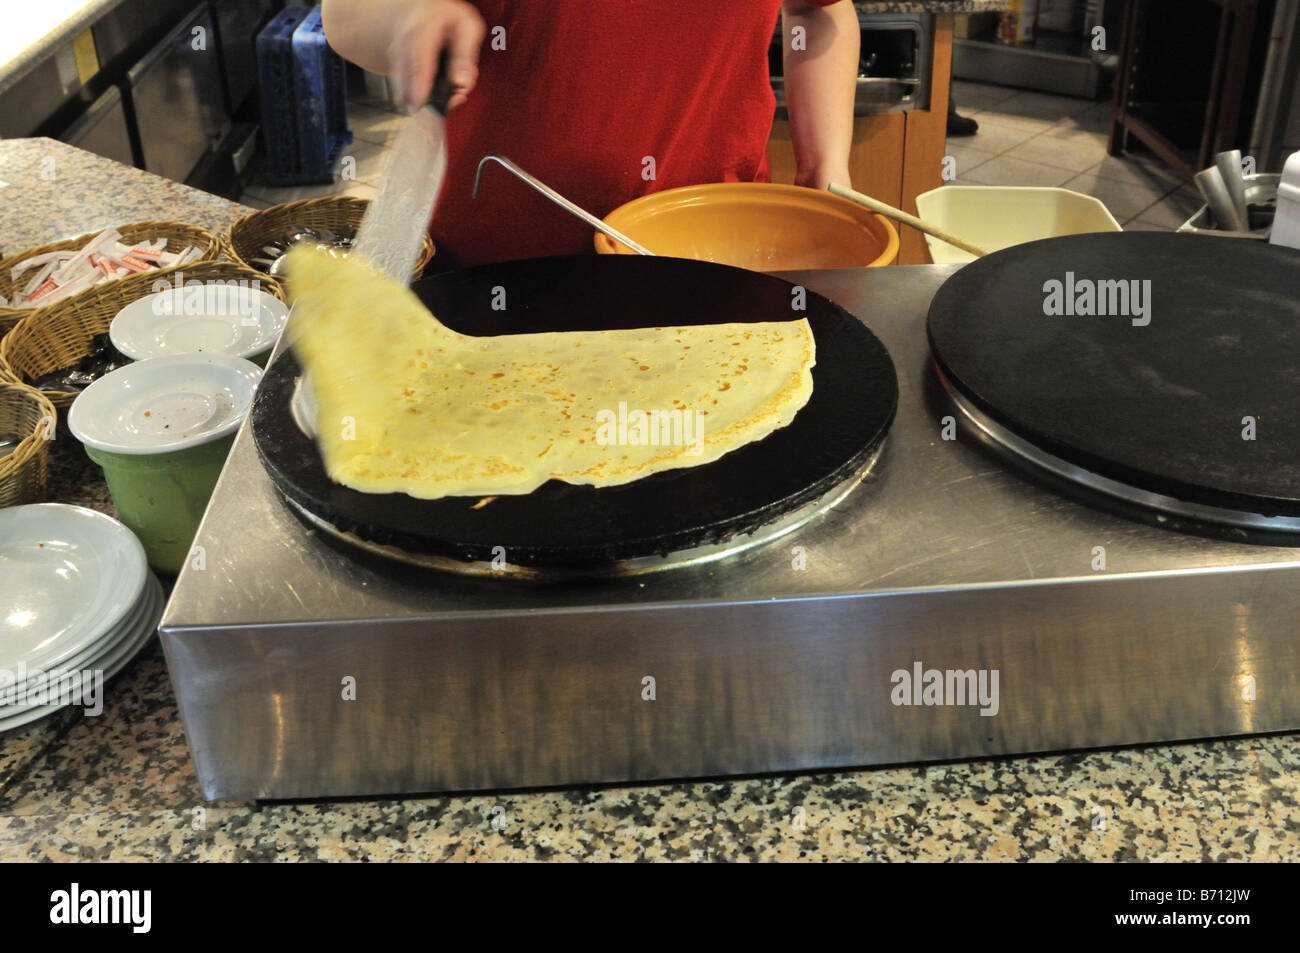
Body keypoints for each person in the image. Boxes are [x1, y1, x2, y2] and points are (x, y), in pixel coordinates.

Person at [321, 0, 860, 267]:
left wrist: (825, 162)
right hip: (495, 268)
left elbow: (818, 12)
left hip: (716, 253)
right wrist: (406, 15)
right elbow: (345, 14)